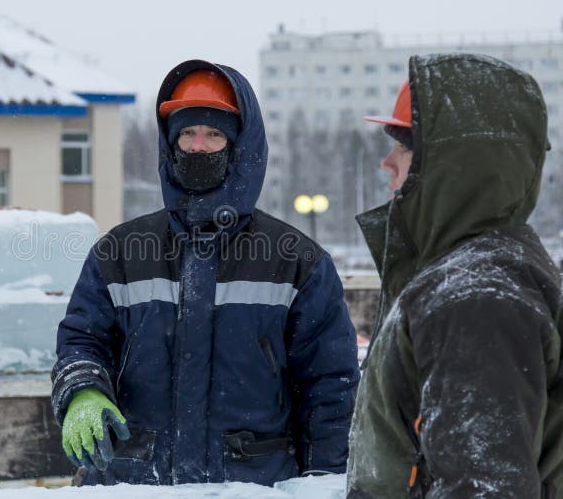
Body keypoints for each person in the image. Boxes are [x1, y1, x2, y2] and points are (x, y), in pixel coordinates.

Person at [51, 59, 360, 486]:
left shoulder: (296, 261)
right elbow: (83, 340)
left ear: (239, 147)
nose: (198, 146)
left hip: (254, 486)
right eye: (187, 133)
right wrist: (82, 388)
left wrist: (325, 482)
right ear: (170, 142)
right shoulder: (118, 252)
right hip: (134, 484)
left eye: (214, 134)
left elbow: (330, 389)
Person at [347, 53, 563, 498]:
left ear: (454, 164)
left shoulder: (475, 302)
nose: (387, 162)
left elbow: (484, 488)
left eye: (404, 146)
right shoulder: (477, 276)